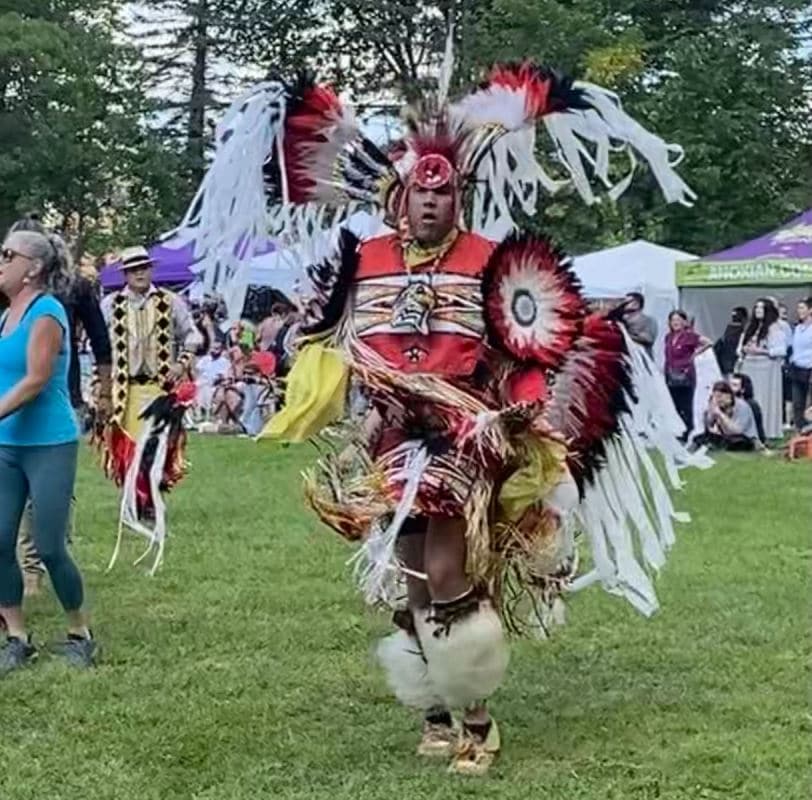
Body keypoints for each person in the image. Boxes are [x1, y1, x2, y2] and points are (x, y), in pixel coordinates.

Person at [180, 60, 706, 774]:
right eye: (421, 193)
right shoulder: (362, 258)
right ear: (399, 196)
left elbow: (531, 341)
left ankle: (479, 718)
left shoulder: (491, 258)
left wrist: (520, 404)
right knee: (413, 576)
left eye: (447, 191)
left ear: (461, 195)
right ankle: (432, 706)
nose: (433, 203)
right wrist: (339, 401)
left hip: (466, 432)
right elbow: (331, 341)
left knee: (447, 568)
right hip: (395, 435)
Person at [0, 227, 97, 674]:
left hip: (49, 442)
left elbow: (37, 379)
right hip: (8, 444)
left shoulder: (48, 310)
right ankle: (17, 636)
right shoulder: (6, 316)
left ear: (32, 268)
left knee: (49, 545)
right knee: (1, 541)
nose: (0, 261)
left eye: (7, 254)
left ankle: (80, 633)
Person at [8, 215, 113, 597]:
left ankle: (39, 565)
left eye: (12, 253)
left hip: (56, 401)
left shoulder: (70, 292)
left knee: (47, 497)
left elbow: (101, 342)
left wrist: (104, 392)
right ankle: (25, 568)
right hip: (9, 406)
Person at [738, 298, 786, 440]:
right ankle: (748, 429)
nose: (758, 310)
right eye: (756, 307)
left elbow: (780, 350)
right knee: (749, 397)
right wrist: (744, 350)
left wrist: (760, 351)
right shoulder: (751, 327)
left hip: (766, 369)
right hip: (749, 366)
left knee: (764, 398)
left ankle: (765, 430)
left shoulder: (775, 328)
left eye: (762, 307)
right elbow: (740, 347)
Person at [664, 310, 710, 439]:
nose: (675, 323)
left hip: (685, 374)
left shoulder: (690, 336)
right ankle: (679, 429)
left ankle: (689, 430)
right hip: (670, 373)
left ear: (684, 322)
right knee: (675, 403)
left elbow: (708, 342)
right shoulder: (668, 337)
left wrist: (695, 354)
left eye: (678, 320)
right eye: (673, 320)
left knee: (686, 404)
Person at [693, 381, 759, 451]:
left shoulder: (742, 406)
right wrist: (712, 412)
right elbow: (708, 426)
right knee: (699, 439)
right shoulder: (719, 406)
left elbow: (737, 431)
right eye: (715, 397)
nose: (718, 400)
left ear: (729, 395)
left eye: (720, 396)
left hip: (744, 438)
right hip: (726, 436)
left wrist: (720, 414)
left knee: (736, 442)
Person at [788, 297, 812, 431]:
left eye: (802, 308)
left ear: (810, 310)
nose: (799, 311)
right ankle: (799, 429)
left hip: (810, 369)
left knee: (810, 405)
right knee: (797, 403)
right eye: (798, 308)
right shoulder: (797, 328)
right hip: (797, 368)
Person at [195, 339, 231, 418]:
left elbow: (224, 376)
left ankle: (210, 415)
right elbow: (197, 372)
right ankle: (198, 415)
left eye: (216, 349)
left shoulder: (224, 362)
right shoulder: (205, 359)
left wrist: (218, 379)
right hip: (202, 383)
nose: (213, 350)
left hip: (215, 385)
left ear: (221, 349)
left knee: (215, 392)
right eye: (212, 348)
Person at [730, 372, 766, 445]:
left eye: (735, 385)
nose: (730, 388)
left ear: (743, 389)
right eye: (730, 384)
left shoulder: (750, 405)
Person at [713, 306, 748, 378]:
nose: (734, 317)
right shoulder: (734, 328)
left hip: (729, 362)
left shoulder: (734, 328)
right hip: (731, 362)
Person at [620, 292, 658, 357]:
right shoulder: (622, 320)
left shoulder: (649, 320)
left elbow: (648, 338)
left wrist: (626, 335)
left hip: (641, 360)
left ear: (636, 304)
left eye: (627, 302)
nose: (623, 304)